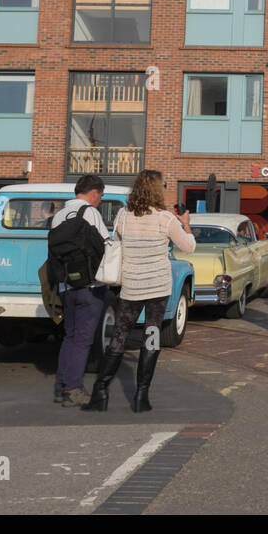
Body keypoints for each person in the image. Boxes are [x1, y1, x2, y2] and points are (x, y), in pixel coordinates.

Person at [85, 170, 195, 412]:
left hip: (131, 285)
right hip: (157, 287)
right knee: (151, 337)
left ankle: (100, 392)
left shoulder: (124, 215)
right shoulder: (166, 219)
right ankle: (141, 396)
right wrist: (186, 225)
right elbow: (188, 247)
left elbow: (118, 240)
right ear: (158, 189)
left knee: (120, 336)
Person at [51, 176, 112, 407]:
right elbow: (106, 243)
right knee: (83, 340)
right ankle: (73, 388)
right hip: (90, 285)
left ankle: (61, 387)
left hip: (66, 285)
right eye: (101, 195)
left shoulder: (59, 215)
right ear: (94, 192)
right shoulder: (90, 213)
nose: (100, 199)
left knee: (70, 337)